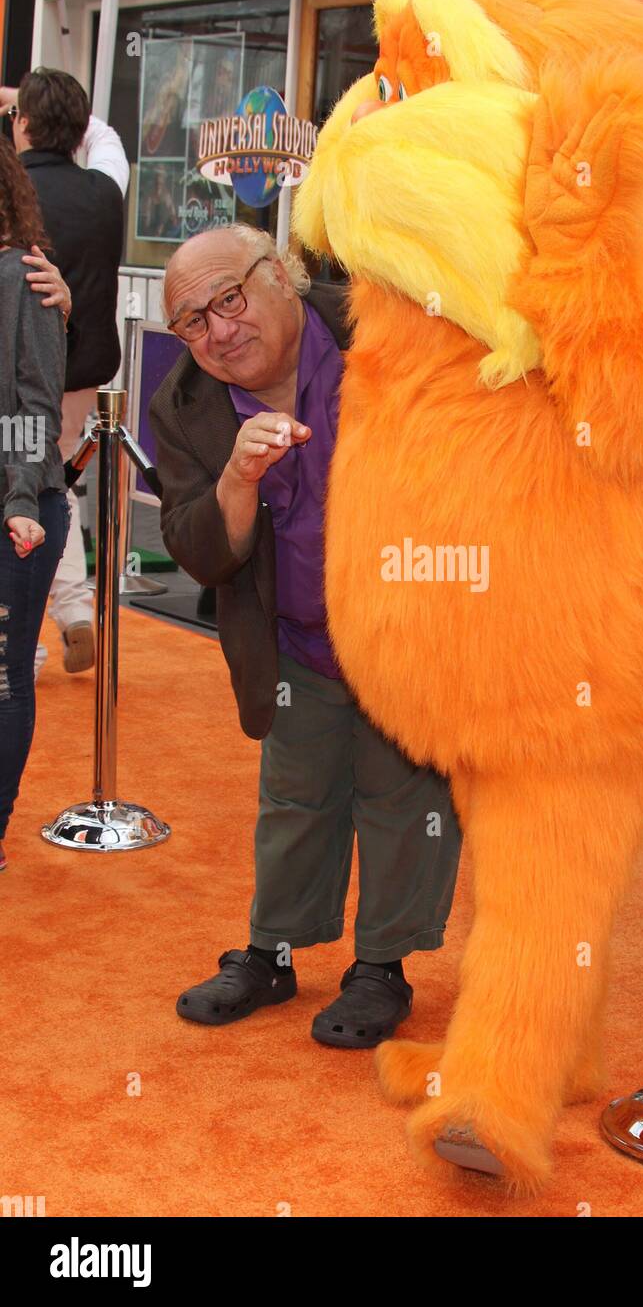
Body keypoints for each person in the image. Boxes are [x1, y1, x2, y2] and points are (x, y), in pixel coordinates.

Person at [149, 223, 462, 1048]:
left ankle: (381, 970)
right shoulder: (184, 403)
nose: (218, 332)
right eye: (192, 321)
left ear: (282, 276)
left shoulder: (381, 330)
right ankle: (272, 953)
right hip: (292, 642)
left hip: (408, 628)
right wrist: (236, 480)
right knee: (293, 799)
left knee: (402, 801)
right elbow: (194, 546)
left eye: (229, 299)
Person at [0, 69, 129, 674]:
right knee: (53, 479)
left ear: (22, 122)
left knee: (28, 480)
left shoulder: (10, 191)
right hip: (83, 371)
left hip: (20, 374)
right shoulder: (107, 188)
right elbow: (107, 140)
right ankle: (74, 607)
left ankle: (30, 627)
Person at [0, 135, 69, 872]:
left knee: (3, 674)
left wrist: (18, 494)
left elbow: (34, 406)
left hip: (17, 510)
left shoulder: (25, 279)